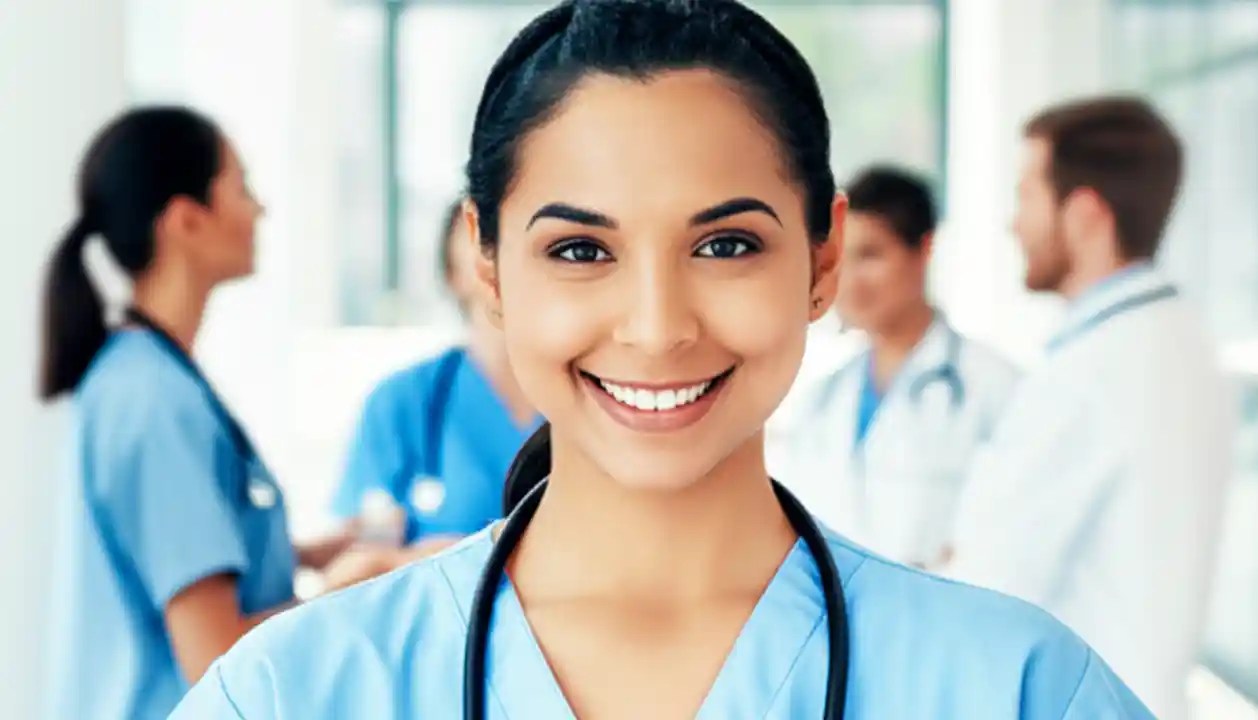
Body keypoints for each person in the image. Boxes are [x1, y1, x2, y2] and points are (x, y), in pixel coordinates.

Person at [172, 4, 1152, 717]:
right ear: (489, 266)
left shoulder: (1017, 689)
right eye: (578, 250)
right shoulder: (294, 693)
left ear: (820, 258)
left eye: (724, 245)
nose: (655, 326)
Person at [40, 107, 356, 720]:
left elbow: (184, 556)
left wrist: (315, 555)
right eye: (241, 188)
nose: (259, 210)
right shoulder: (152, 399)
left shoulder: (144, 377)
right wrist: (353, 593)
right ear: (186, 220)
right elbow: (215, 655)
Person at [945, 97, 1232, 720]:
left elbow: (987, 589)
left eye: (1026, 195)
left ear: (1083, 214)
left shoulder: (1091, 373)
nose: (1012, 223)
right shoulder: (1178, 340)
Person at [768, 166, 1019, 569]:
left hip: (946, 622)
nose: (850, 281)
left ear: (925, 249)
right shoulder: (822, 399)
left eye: (870, 255)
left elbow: (1010, 541)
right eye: (840, 259)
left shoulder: (995, 389)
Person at [323, 198, 540, 586]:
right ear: (451, 272)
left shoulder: (596, 394)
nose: (494, 254)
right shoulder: (404, 403)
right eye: (478, 235)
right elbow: (362, 567)